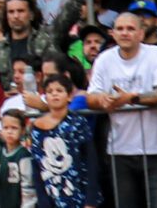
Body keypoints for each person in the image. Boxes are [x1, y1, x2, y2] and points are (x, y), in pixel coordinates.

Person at [85, 9, 157, 208]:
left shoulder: (156, 55)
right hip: (119, 151)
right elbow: (91, 97)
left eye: (130, 29)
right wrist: (102, 100)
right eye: (120, 29)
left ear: (141, 34)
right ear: (113, 34)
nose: (125, 33)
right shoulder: (104, 59)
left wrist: (130, 98)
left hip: (156, 150)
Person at [29, 74, 102, 208]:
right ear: (45, 97)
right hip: (51, 192)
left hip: (78, 191)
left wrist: (91, 200)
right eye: (50, 92)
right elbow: (37, 166)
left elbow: (91, 161)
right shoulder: (36, 128)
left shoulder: (78, 123)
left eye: (59, 90)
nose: (54, 94)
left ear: (69, 96)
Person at [0, 109, 37, 208]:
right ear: (1, 131)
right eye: (5, 128)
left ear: (23, 130)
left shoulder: (24, 156)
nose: (9, 132)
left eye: (14, 128)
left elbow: (29, 188)